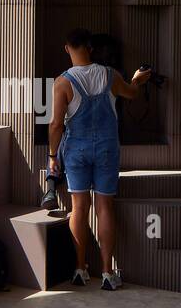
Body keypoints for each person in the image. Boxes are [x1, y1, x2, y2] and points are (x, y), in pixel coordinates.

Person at [48, 28, 151, 291]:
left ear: (66, 48)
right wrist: (138, 80)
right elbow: (131, 93)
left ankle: (80, 269)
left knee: (79, 208)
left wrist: (52, 156)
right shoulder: (110, 75)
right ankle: (107, 272)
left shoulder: (62, 82)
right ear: (91, 48)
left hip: (76, 150)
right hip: (106, 148)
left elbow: (56, 124)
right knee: (105, 207)